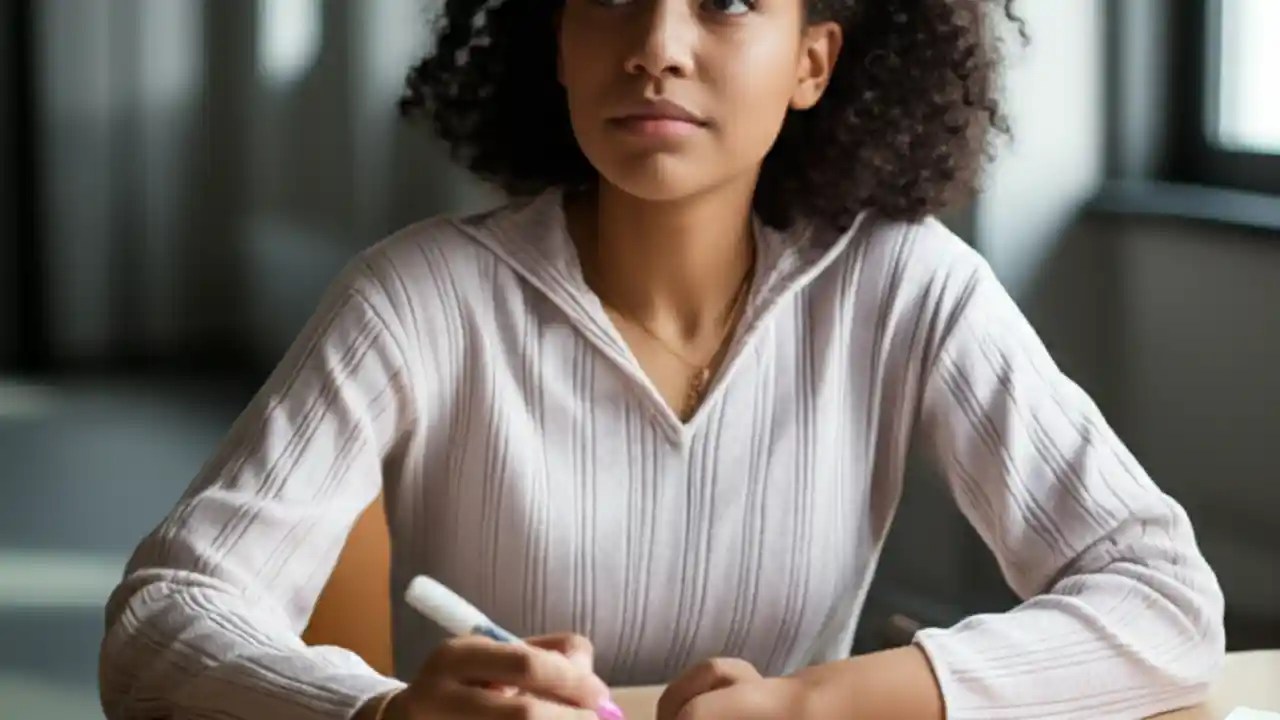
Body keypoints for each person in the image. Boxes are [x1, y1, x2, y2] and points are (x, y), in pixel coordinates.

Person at [99, 0, 1226, 718]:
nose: (654, 47)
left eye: (727, 1)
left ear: (812, 61)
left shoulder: (904, 286)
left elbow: (1166, 604)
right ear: (555, 40)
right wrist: (387, 716)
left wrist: (812, 708)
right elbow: (161, 621)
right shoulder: (416, 296)